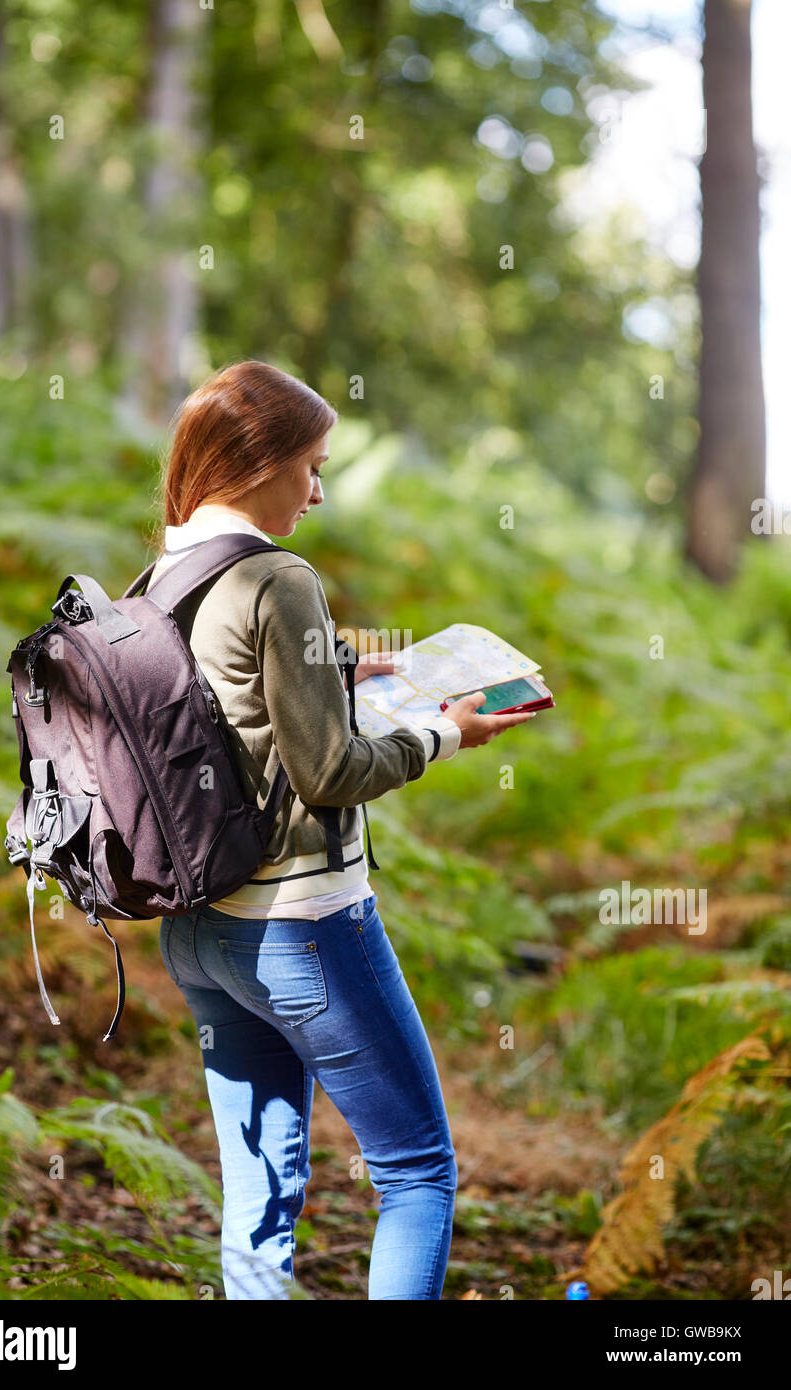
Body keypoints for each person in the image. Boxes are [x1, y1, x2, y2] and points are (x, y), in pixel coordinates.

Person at [151, 359, 537, 1300]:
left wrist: (352, 674)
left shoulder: (165, 572)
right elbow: (327, 773)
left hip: (198, 929)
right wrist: (446, 729)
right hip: (301, 927)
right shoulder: (279, 577)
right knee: (415, 1173)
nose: (319, 491)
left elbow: (230, 707)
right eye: (311, 467)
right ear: (257, 462)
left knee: (260, 1188)